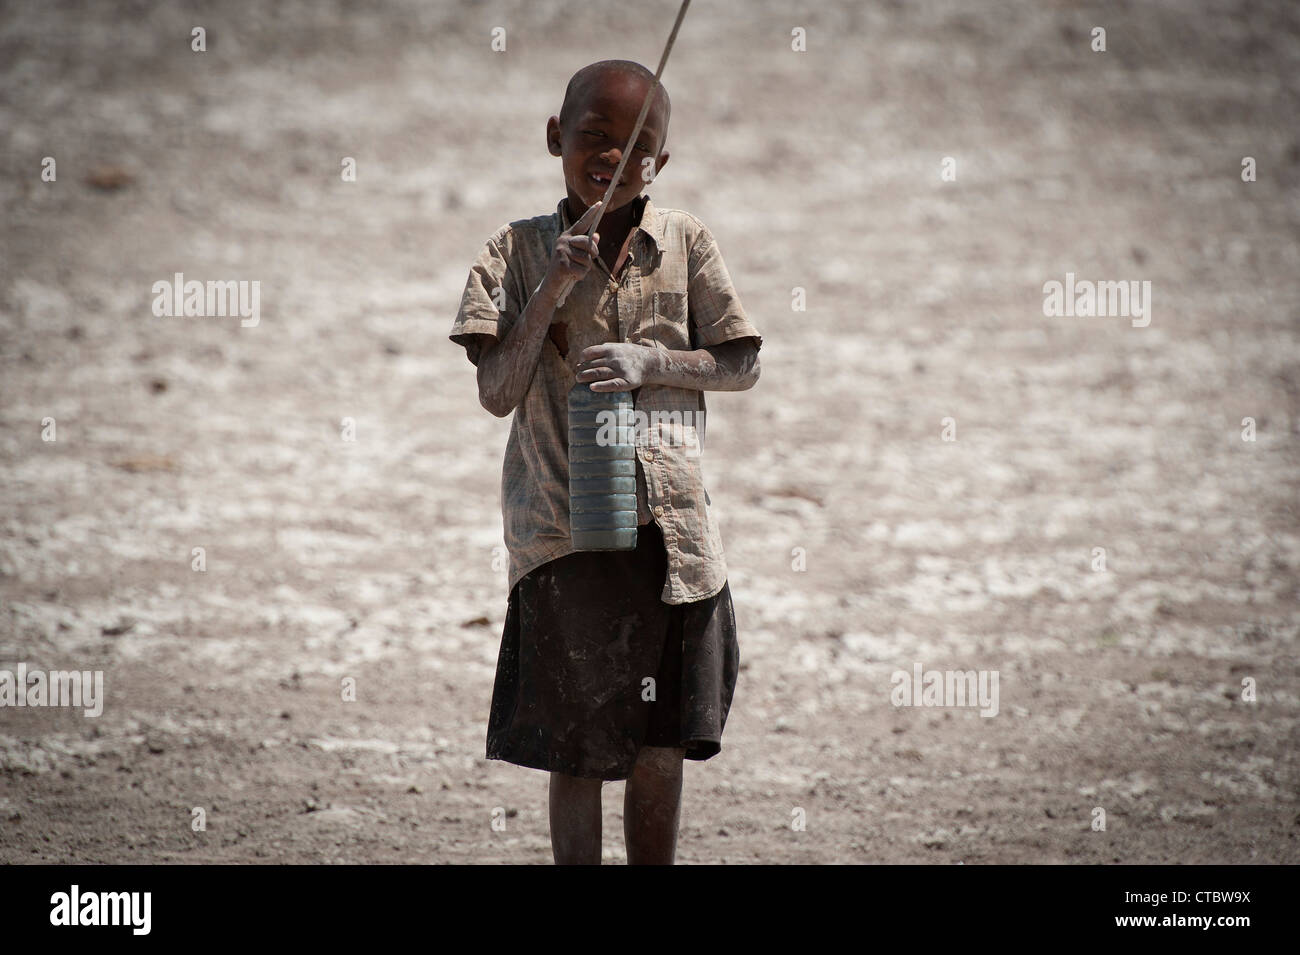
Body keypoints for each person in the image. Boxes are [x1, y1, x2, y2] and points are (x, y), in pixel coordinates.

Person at [449, 59, 762, 864]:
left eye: (638, 148)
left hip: (674, 537)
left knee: (661, 743)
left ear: (662, 161)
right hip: (564, 537)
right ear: (556, 136)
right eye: (594, 139)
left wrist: (646, 362)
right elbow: (496, 389)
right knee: (576, 749)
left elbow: (741, 364)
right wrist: (552, 285)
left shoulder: (686, 243)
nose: (615, 161)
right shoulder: (514, 252)